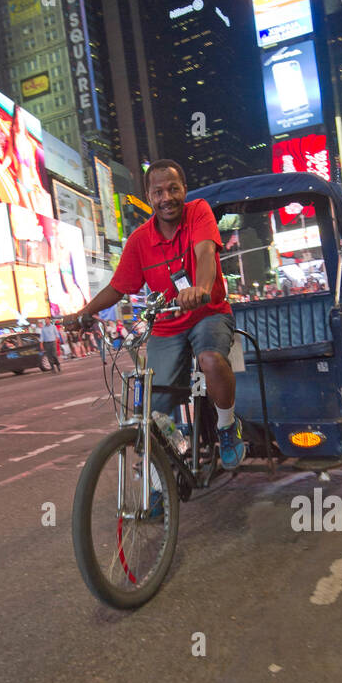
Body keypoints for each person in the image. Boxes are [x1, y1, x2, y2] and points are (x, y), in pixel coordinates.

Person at [70, 160, 246, 482]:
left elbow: (205, 252)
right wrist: (82, 314)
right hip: (167, 326)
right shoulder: (139, 240)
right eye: (158, 192)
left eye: (173, 189)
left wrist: (201, 289)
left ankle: (226, 426)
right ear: (149, 198)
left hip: (208, 314)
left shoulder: (198, 212)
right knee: (156, 412)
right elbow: (117, 286)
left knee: (210, 358)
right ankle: (161, 477)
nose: (167, 197)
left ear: (184, 190)